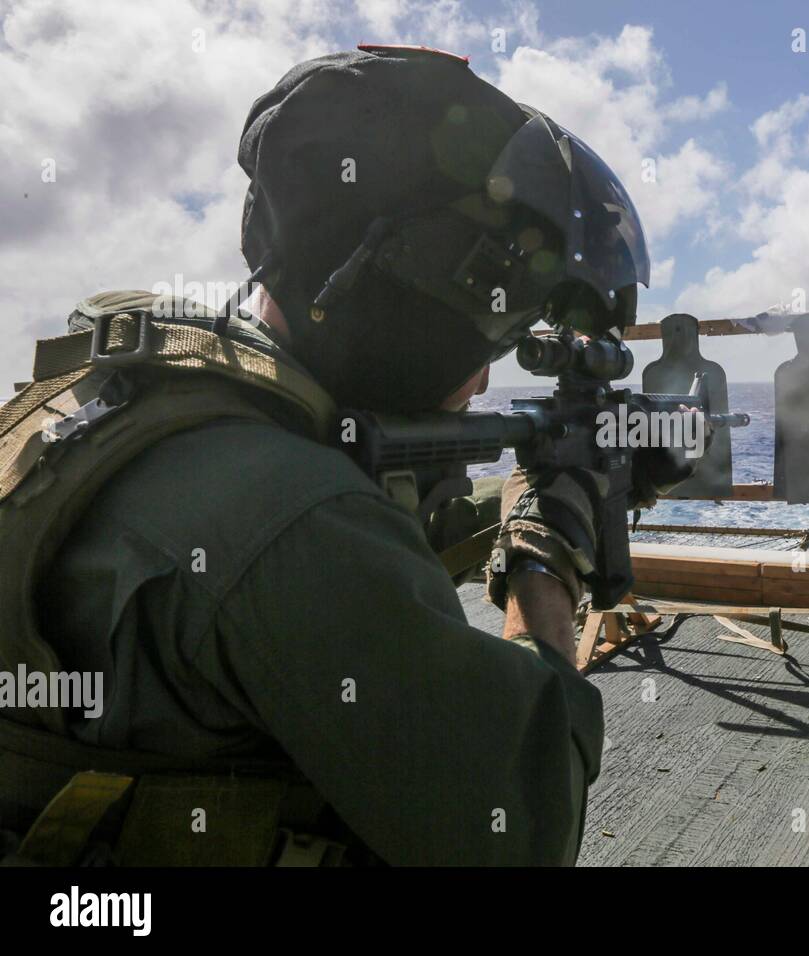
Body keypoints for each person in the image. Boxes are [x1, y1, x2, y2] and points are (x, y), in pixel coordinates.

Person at [0, 45, 669, 866]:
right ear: (413, 303)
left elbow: (369, 527)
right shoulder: (296, 524)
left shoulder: (152, 396)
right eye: (492, 330)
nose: (488, 371)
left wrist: (535, 485)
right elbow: (525, 828)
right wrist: (546, 556)